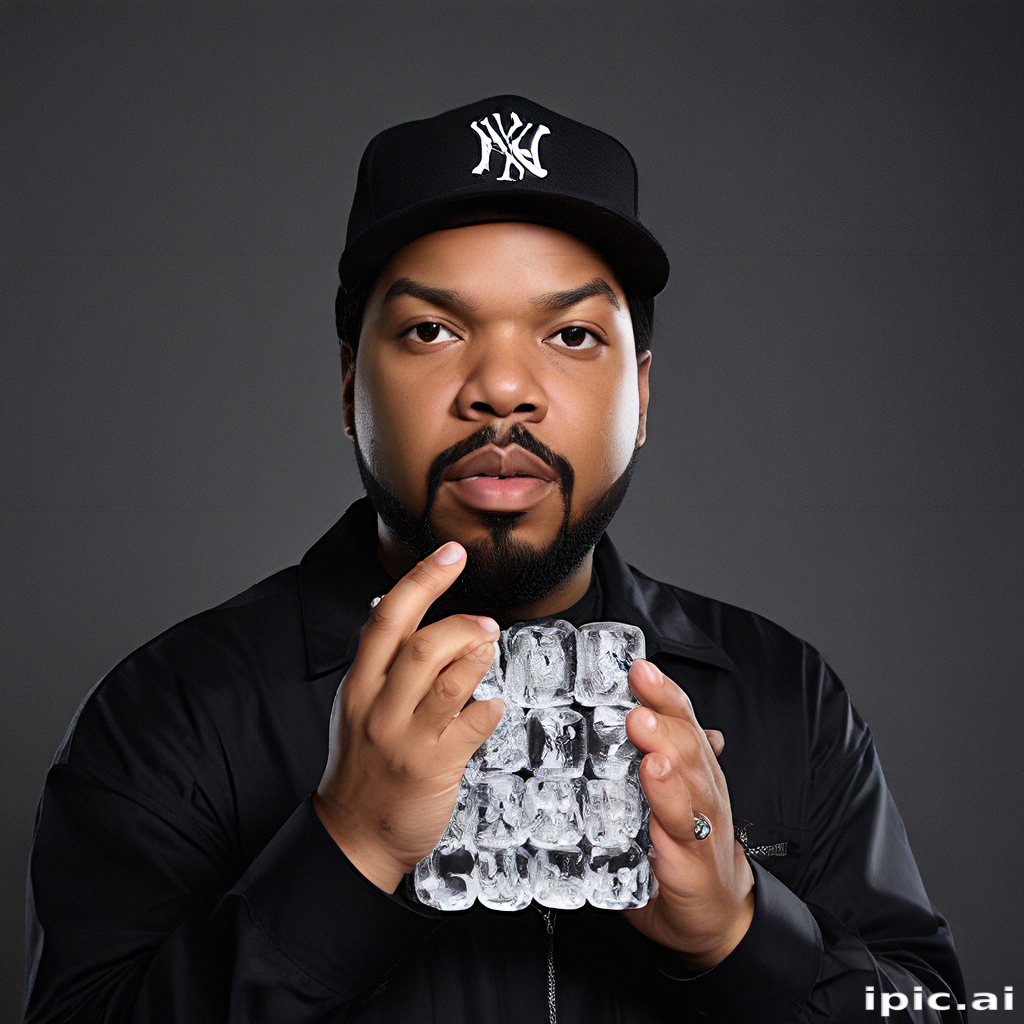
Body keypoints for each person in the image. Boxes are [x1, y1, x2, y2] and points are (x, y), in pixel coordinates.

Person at [25, 95, 965, 1023]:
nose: (503, 389)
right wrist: (345, 851)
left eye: (571, 336)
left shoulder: (783, 696)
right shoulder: (173, 710)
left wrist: (740, 934)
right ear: (350, 379)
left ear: (641, 395)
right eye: (434, 330)